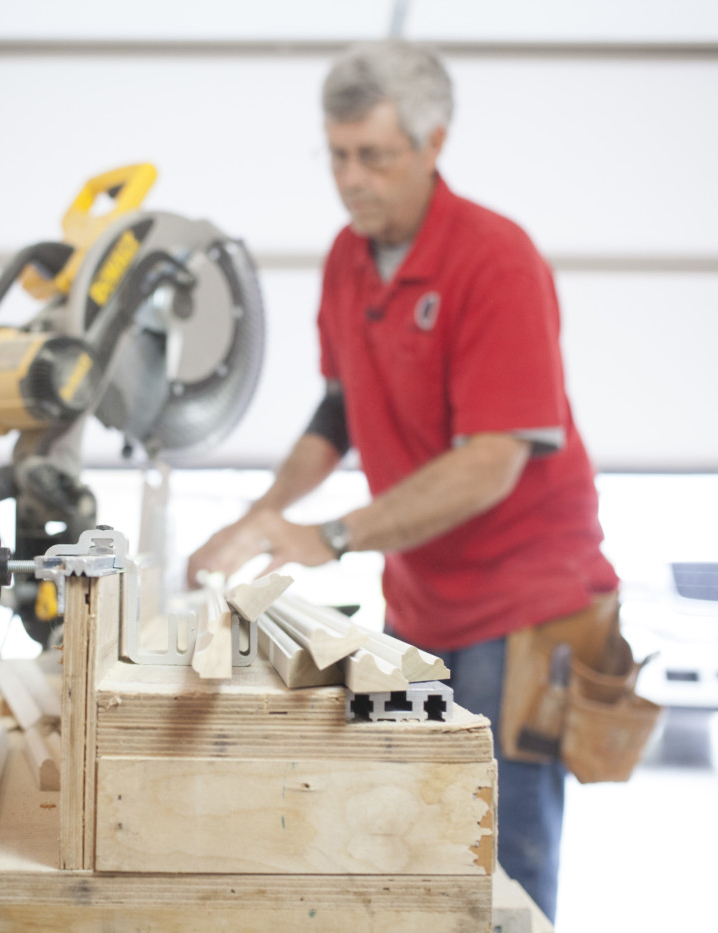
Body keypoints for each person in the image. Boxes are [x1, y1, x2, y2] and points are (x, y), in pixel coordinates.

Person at [186, 40, 619, 922]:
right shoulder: (348, 258)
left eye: (374, 156)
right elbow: (338, 413)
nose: (352, 179)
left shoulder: (496, 258)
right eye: (338, 155)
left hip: (524, 601)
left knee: (503, 847)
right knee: (411, 829)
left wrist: (331, 536)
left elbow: (491, 460)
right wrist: (265, 514)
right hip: (423, 597)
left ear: (433, 143)